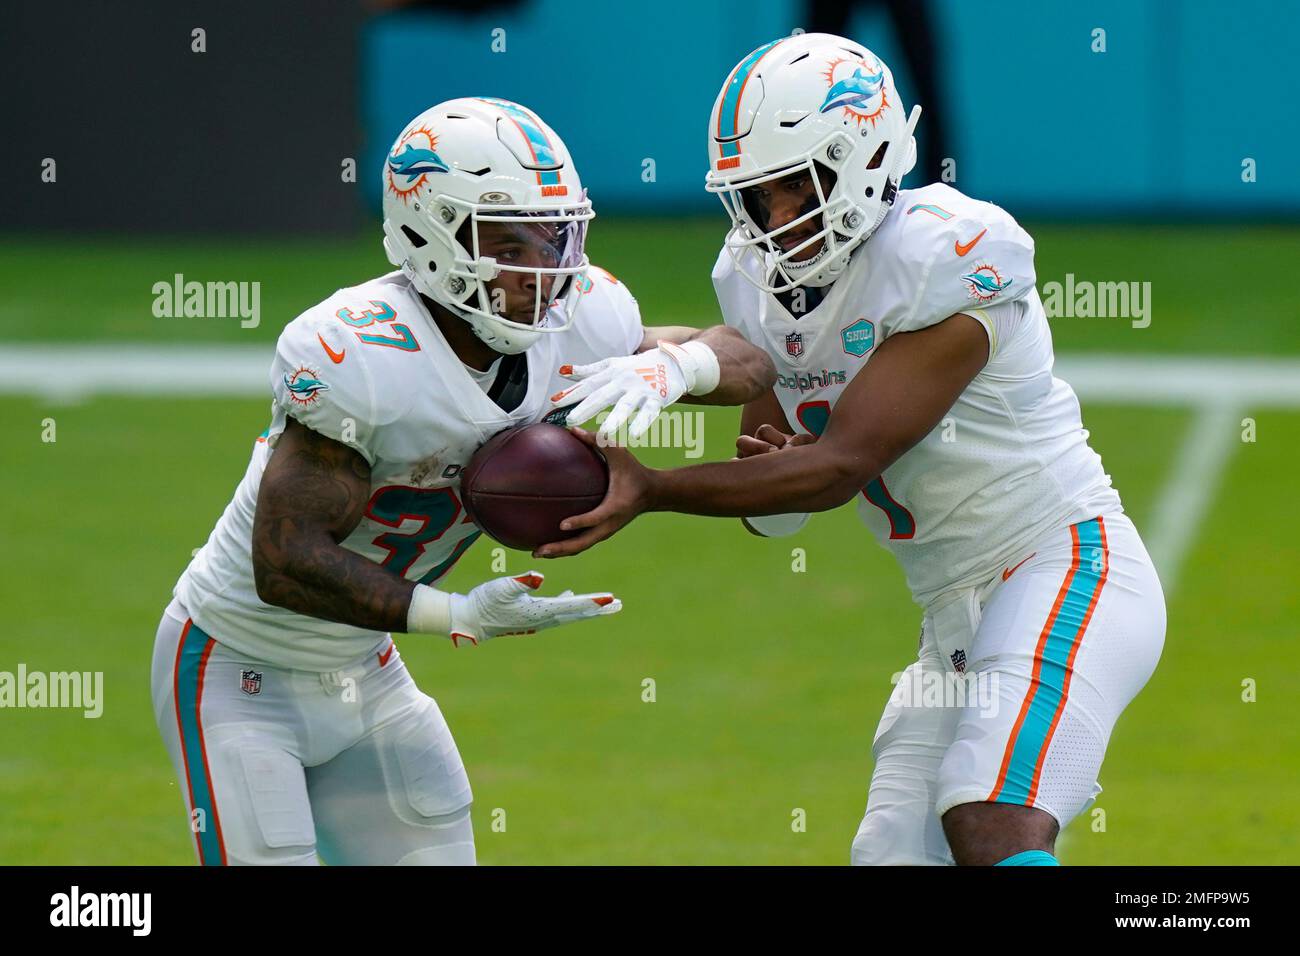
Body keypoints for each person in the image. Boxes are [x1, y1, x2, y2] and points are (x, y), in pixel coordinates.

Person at [540, 35, 1167, 866]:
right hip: (950, 610)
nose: (775, 219)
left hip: (1061, 565)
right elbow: (786, 505)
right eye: (756, 196)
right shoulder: (752, 278)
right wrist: (758, 460)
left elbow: (839, 468)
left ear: (864, 159)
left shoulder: (948, 251)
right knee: (892, 857)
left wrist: (653, 487)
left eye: (795, 187)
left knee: (991, 815)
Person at [151, 97, 775, 865]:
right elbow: (282, 558)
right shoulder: (361, 353)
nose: (543, 270)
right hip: (235, 663)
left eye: (554, 237)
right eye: (510, 241)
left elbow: (747, 361)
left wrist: (677, 364)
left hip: (362, 668)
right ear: (430, 235)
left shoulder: (581, 318)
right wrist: (457, 612)